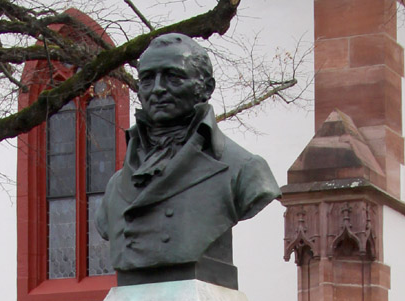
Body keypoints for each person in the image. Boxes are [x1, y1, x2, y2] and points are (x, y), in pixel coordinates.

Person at [95, 34, 279, 286]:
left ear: (206, 87)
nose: (158, 88)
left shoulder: (244, 169)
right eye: (148, 79)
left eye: (173, 76)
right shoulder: (116, 186)